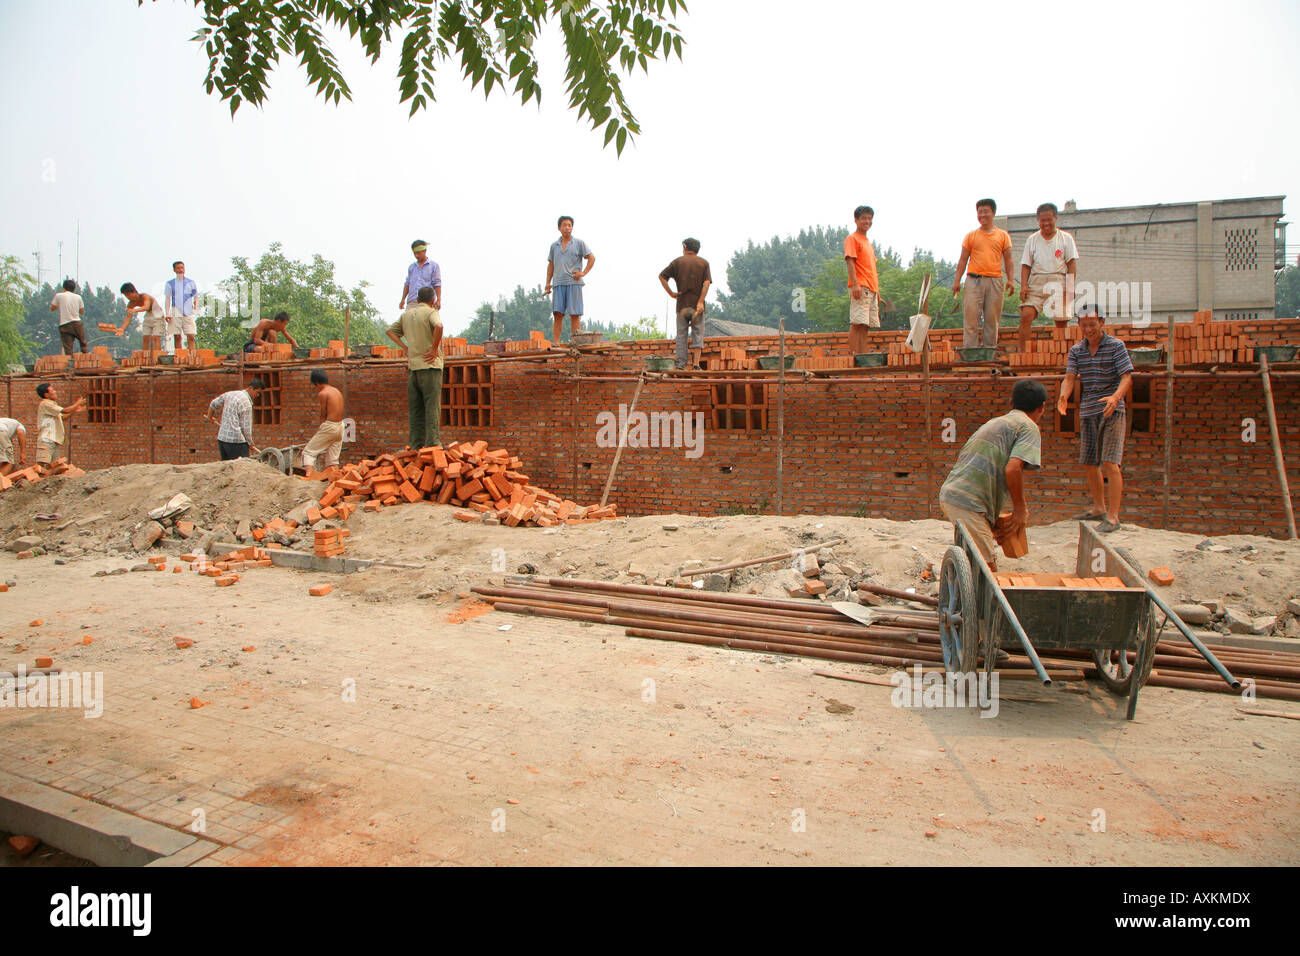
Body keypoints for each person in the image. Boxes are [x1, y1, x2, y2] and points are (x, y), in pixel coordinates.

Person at [938, 378, 1047, 571]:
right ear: (1042, 408)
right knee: (987, 569)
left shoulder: (997, 422)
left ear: (1011, 403)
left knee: (974, 560)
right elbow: (1013, 469)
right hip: (968, 502)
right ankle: (979, 600)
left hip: (952, 494)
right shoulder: (1028, 427)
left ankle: (964, 595)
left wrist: (991, 518)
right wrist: (1021, 509)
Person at [1058, 305, 1133, 533]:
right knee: (1090, 463)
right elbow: (1070, 377)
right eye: (1084, 324)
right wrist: (1063, 396)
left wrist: (1115, 397)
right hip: (1088, 410)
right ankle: (1099, 508)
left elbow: (1127, 377)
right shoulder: (1077, 351)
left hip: (1112, 410)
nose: (1088, 329)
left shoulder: (1116, 346)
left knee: (1110, 462)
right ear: (1078, 325)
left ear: (1102, 322)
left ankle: (1113, 516)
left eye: (1092, 324)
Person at [952, 199, 1015, 349]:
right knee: (971, 318)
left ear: (993, 213)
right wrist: (956, 282)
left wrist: (1011, 280)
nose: (982, 215)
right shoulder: (971, 236)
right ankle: (971, 353)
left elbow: (1009, 260)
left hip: (995, 281)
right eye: (979, 212)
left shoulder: (1003, 236)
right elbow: (962, 261)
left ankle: (989, 352)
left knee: (992, 320)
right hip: (974, 281)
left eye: (985, 211)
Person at [387, 286, 444, 448]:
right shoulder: (431, 312)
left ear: (417, 300)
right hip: (431, 367)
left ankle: (415, 444)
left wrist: (405, 348)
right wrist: (433, 349)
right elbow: (439, 326)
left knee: (416, 409)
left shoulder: (406, 315)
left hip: (413, 369)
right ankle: (433, 442)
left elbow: (391, 331)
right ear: (432, 300)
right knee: (432, 406)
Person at [1018, 202, 1079, 343]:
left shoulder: (1066, 238)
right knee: (1026, 315)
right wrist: (1023, 286)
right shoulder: (1032, 239)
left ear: (1055, 219)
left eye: (1049, 220)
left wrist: (1070, 286)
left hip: (1058, 280)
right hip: (1036, 281)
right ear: (1038, 221)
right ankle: (1024, 354)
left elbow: (1071, 263)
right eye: (1043, 220)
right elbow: (1026, 265)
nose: (1046, 223)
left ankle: (1062, 353)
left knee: (1061, 320)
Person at [658, 238, 712, 370]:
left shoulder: (677, 262)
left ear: (685, 247)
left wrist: (671, 293)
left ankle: (681, 365)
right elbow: (706, 283)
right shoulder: (703, 263)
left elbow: (661, 276)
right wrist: (700, 301)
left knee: (681, 334)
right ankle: (696, 364)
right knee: (698, 334)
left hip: (682, 305)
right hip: (697, 307)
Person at [544, 215, 595, 344]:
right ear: (559, 228)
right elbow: (551, 264)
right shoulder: (554, 246)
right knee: (557, 314)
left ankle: (575, 342)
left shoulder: (579, 243)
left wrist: (583, 273)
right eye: (564, 225)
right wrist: (547, 283)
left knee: (575, 314)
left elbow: (591, 258)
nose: (567, 228)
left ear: (572, 227)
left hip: (574, 282)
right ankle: (556, 342)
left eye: (569, 225)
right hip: (558, 283)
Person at [843, 205, 879, 354]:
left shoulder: (868, 243)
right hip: (861, 286)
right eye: (864, 218)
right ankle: (854, 355)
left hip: (871, 288)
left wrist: (877, 291)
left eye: (869, 218)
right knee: (857, 322)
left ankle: (862, 355)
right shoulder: (852, 238)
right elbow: (850, 261)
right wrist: (856, 285)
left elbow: (871, 269)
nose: (867, 221)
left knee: (866, 324)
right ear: (856, 220)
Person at [206, 378, 263, 461]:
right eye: (257, 392)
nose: (257, 395)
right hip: (236, 442)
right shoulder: (246, 403)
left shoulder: (230, 394)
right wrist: (250, 443)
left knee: (227, 469)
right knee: (242, 469)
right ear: (250, 388)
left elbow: (213, 403)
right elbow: (245, 428)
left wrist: (209, 417)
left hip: (222, 440)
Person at [34, 383, 86, 474]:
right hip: (47, 439)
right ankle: (34, 482)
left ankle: (46, 483)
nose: (55, 391)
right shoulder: (45, 404)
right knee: (41, 465)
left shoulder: (52, 404)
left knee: (56, 466)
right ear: (46, 394)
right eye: (52, 390)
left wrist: (75, 409)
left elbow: (63, 417)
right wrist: (78, 403)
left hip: (54, 440)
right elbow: (65, 410)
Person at [301, 370, 345, 470]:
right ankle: (335, 480)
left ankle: (310, 479)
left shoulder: (323, 393)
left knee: (308, 453)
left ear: (317, 383)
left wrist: (321, 428)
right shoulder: (336, 391)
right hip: (340, 426)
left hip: (330, 426)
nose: (315, 389)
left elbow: (323, 414)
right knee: (332, 460)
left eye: (315, 386)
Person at [119, 282, 168, 352]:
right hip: (148, 316)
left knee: (155, 337)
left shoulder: (145, 296)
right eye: (125, 295)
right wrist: (122, 329)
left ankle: (157, 356)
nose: (128, 297)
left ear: (134, 292)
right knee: (145, 338)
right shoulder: (131, 303)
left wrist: (134, 310)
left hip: (157, 314)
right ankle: (145, 357)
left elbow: (146, 307)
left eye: (128, 294)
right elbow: (128, 317)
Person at [165, 260, 199, 353]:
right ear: (174, 270)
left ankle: (192, 356)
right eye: (178, 268)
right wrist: (167, 313)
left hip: (188, 312)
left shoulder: (191, 282)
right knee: (177, 336)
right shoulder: (170, 283)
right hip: (175, 311)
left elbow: (195, 296)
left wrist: (195, 304)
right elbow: (168, 299)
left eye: (182, 267)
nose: (180, 270)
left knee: (191, 335)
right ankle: (179, 356)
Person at [400, 239, 441, 312]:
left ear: (424, 251)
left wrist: (438, 300)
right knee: (407, 322)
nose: (416, 255)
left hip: (428, 304)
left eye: (418, 253)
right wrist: (403, 299)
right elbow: (407, 284)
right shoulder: (412, 267)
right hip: (412, 303)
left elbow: (437, 284)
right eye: (414, 253)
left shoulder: (433, 266)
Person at [50, 279, 88, 355]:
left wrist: (60, 305)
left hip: (64, 324)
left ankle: (70, 362)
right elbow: (81, 311)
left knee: (68, 348)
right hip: (77, 323)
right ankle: (86, 356)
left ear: (64, 288)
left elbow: (52, 308)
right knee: (83, 342)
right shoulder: (78, 297)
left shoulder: (59, 295)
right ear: (74, 289)